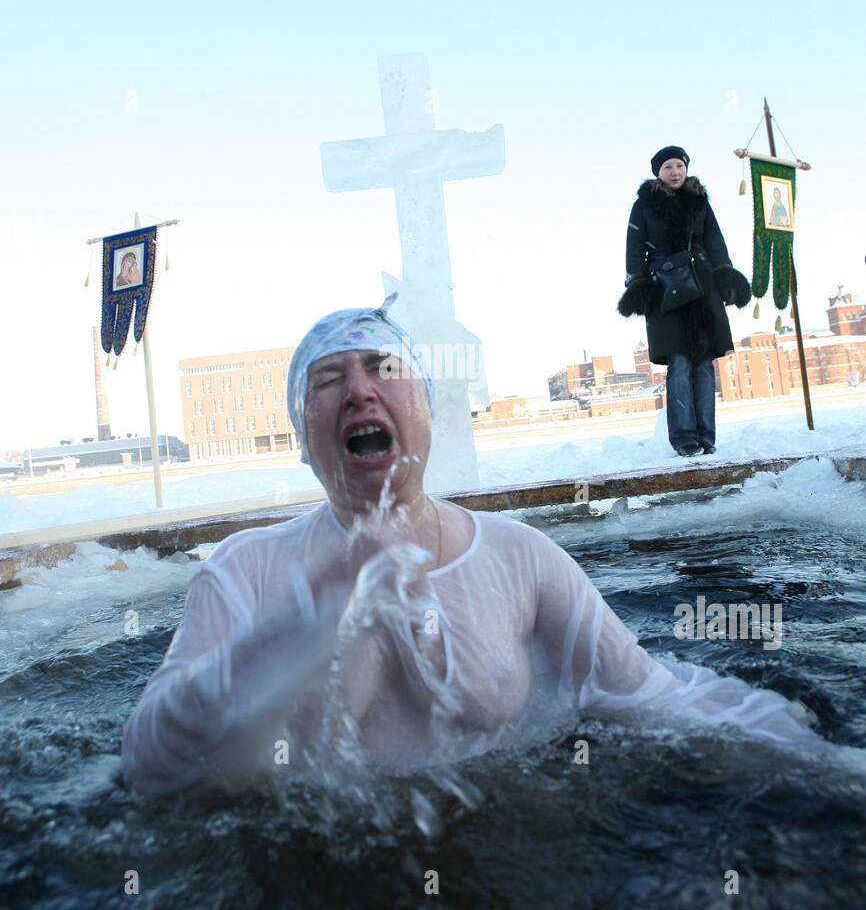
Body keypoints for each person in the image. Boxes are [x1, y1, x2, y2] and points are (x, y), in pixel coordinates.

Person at [122, 293, 826, 797]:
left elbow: (655, 698)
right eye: (329, 380)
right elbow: (150, 763)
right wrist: (303, 617)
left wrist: (828, 767)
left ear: (426, 414)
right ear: (302, 438)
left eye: (384, 370)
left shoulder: (521, 559)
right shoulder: (244, 572)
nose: (361, 391)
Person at [616, 146, 751, 457]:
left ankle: (707, 436)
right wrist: (638, 284)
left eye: (679, 165)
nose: (675, 171)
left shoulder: (700, 202)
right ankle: (684, 438)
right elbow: (633, 247)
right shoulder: (644, 205)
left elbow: (716, 243)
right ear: (658, 172)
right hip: (664, 290)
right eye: (668, 167)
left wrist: (726, 278)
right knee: (679, 362)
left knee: (704, 363)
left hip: (703, 288)